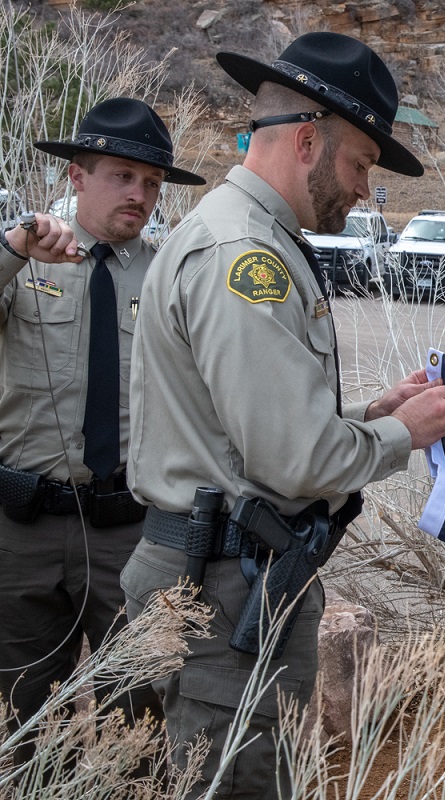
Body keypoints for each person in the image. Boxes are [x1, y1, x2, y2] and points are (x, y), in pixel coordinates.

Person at [119, 33, 445, 799]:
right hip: (221, 595)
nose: (367, 191)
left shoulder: (247, 235)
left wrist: (367, 413)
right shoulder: (247, 255)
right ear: (307, 140)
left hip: (217, 576)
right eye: (362, 164)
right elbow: (294, 460)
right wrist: (403, 434)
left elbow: (236, 425)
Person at [0, 98, 205, 759]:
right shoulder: (27, 254)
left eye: (151, 183)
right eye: (122, 175)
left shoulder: (171, 273)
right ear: (77, 178)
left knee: (136, 718)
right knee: (22, 717)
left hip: (130, 532)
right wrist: (12, 250)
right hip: (21, 531)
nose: (140, 194)